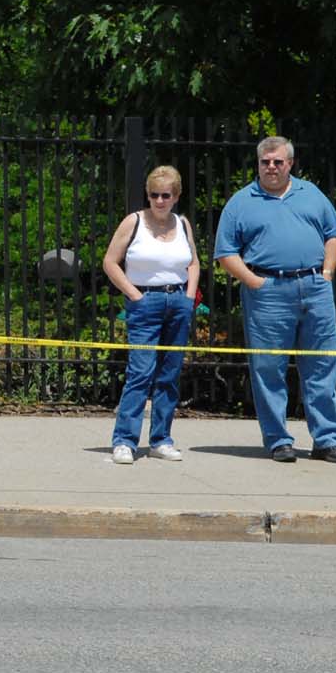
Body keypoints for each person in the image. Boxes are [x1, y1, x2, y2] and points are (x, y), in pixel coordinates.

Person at [213, 136, 336, 464]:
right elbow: (225, 252)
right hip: (268, 292)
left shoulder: (311, 194)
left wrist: (327, 272)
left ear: (290, 163)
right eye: (265, 162)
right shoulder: (242, 201)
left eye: (277, 161)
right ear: (258, 165)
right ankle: (278, 440)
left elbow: (333, 235)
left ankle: (327, 439)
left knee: (322, 364)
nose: (271, 167)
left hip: (315, 287)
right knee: (268, 367)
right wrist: (254, 282)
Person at [101, 165, 201, 464]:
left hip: (178, 301)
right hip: (145, 300)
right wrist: (135, 295)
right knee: (140, 372)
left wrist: (188, 297)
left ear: (176, 196)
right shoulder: (134, 222)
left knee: (169, 375)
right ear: (148, 195)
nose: (159, 201)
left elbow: (193, 262)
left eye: (165, 195)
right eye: (154, 195)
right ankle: (125, 440)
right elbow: (110, 262)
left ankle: (161, 439)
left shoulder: (182, 224)